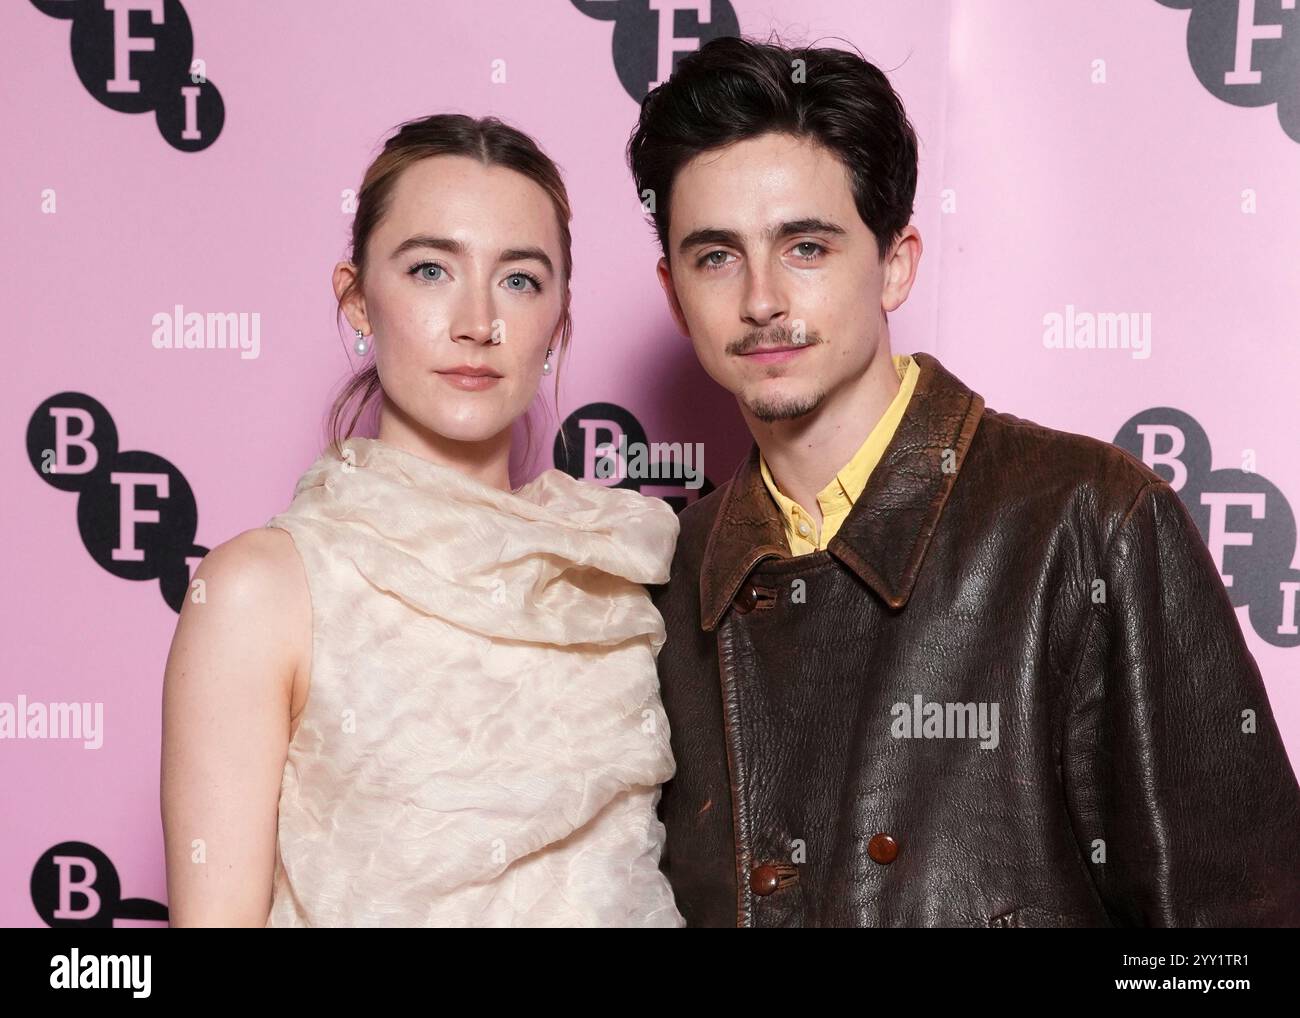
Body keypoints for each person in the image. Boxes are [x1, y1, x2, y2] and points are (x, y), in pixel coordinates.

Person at [627, 35, 1300, 927]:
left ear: (895, 264)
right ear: (674, 294)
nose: (760, 299)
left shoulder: (1088, 520)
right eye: (716, 257)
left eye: (806, 248)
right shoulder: (664, 581)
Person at [161, 113, 683, 927]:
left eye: (520, 280)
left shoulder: (618, 566)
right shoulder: (263, 589)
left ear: (558, 324)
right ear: (359, 300)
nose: (478, 320)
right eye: (431, 269)